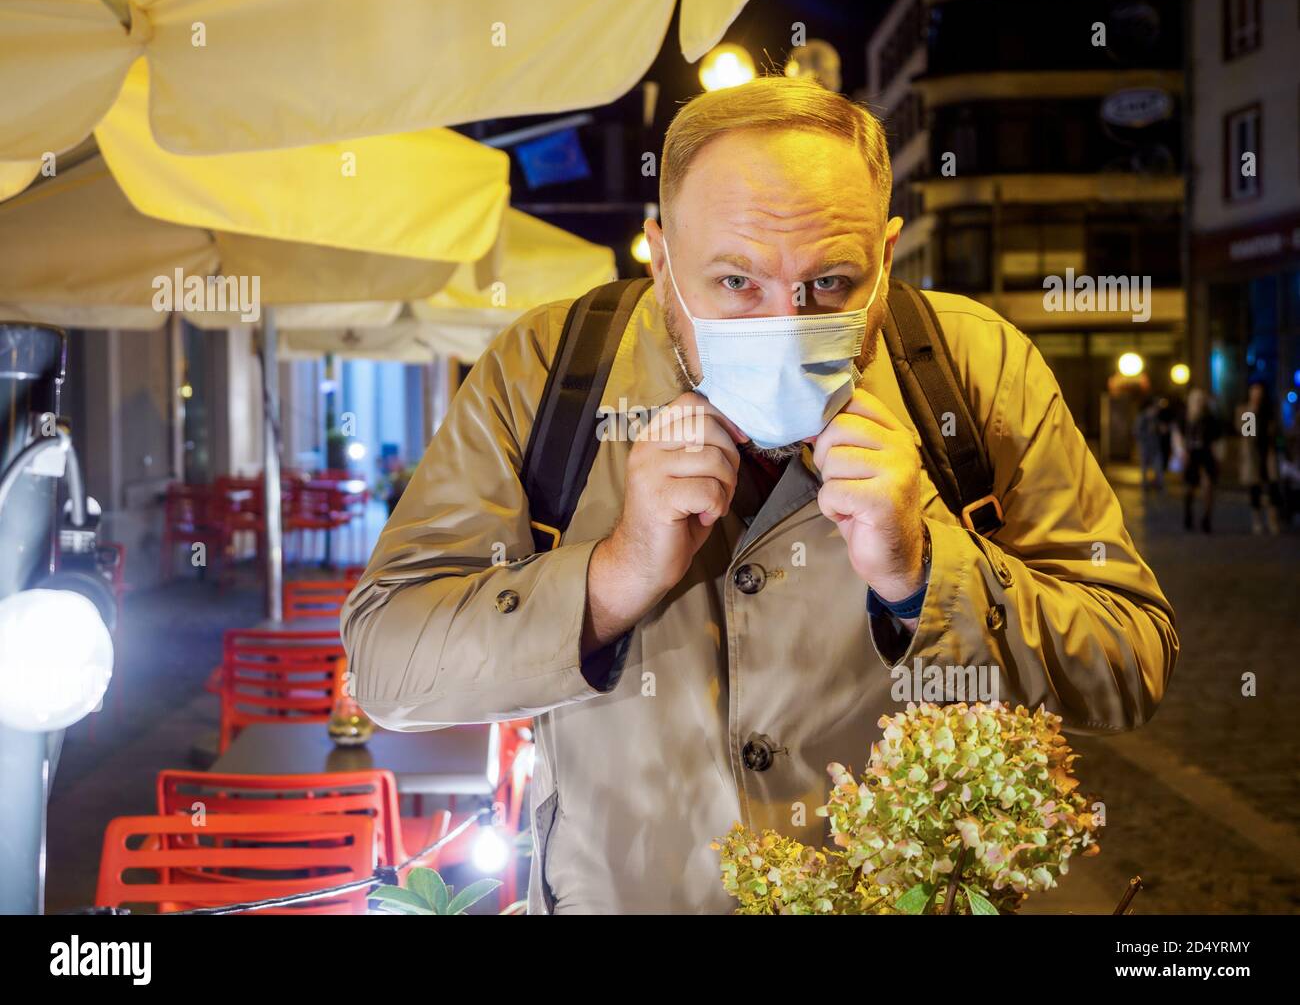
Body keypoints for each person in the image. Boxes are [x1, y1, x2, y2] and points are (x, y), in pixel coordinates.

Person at [341, 77, 1178, 915]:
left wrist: (926, 572)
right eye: (736, 282)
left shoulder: (975, 370)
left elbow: (1130, 659)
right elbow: (387, 663)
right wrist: (610, 579)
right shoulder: (545, 373)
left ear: (887, 257)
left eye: (832, 282)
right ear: (661, 260)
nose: (785, 318)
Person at [1238, 381, 1282, 534]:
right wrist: (1252, 412)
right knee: (1255, 488)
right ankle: (1257, 521)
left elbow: (1275, 431)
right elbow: (1247, 433)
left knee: (1272, 487)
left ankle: (1273, 520)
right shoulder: (1247, 410)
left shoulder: (1269, 411)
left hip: (1268, 453)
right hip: (1253, 454)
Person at [1177, 387, 1223, 533]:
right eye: (1195, 400)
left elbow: (1218, 438)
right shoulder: (1184, 416)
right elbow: (1178, 435)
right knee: (1189, 487)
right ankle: (1188, 514)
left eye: (1200, 400)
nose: (1198, 403)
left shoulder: (1210, 418)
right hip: (1190, 453)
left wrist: (1218, 456)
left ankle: (1206, 518)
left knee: (1208, 486)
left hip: (1206, 452)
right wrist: (1181, 452)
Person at [1134, 396, 1165, 493]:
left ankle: (1158, 485)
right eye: (1154, 408)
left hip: (1155, 447)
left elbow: (1160, 431)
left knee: (1158, 467)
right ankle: (1145, 486)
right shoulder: (1141, 418)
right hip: (1145, 447)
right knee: (1144, 468)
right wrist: (1147, 434)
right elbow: (1136, 432)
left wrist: (1160, 429)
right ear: (1149, 408)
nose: (1156, 411)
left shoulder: (1156, 419)